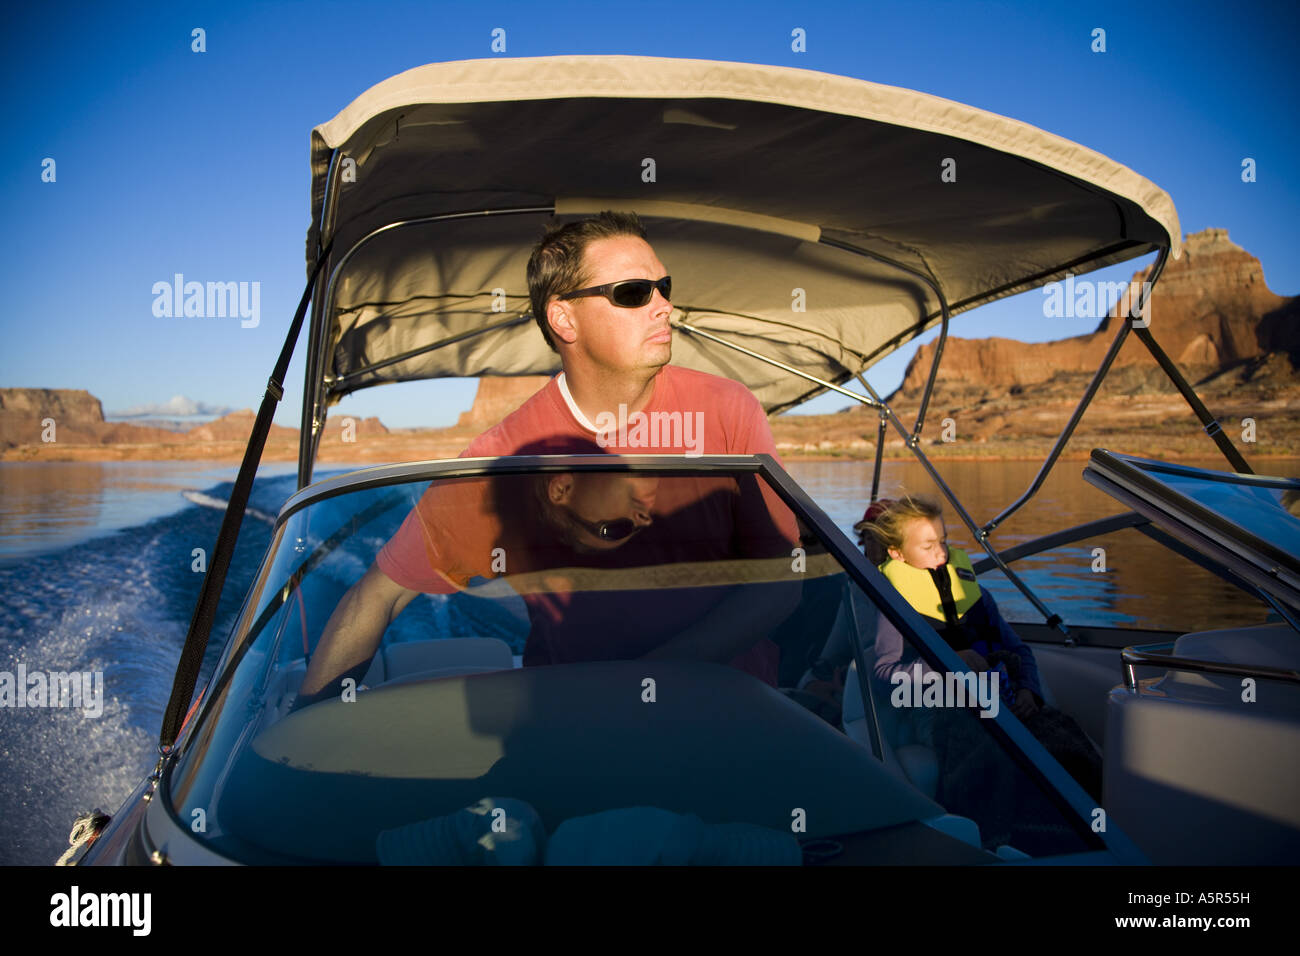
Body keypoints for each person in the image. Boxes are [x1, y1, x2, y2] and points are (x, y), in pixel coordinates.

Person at [296, 211, 800, 706]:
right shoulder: (504, 457)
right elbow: (376, 595)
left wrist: (656, 679)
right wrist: (303, 734)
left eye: (663, 286)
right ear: (564, 318)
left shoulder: (729, 410)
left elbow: (784, 581)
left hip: (729, 716)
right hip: (578, 729)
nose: (663, 306)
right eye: (633, 293)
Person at [861, 495, 1104, 802]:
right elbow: (885, 674)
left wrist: (1029, 692)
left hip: (1000, 697)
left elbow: (1019, 650)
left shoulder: (978, 596)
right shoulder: (894, 605)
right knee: (1006, 758)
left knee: (1064, 742)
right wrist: (947, 663)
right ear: (897, 553)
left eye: (944, 541)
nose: (941, 553)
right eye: (927, 546)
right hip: (940, 711)